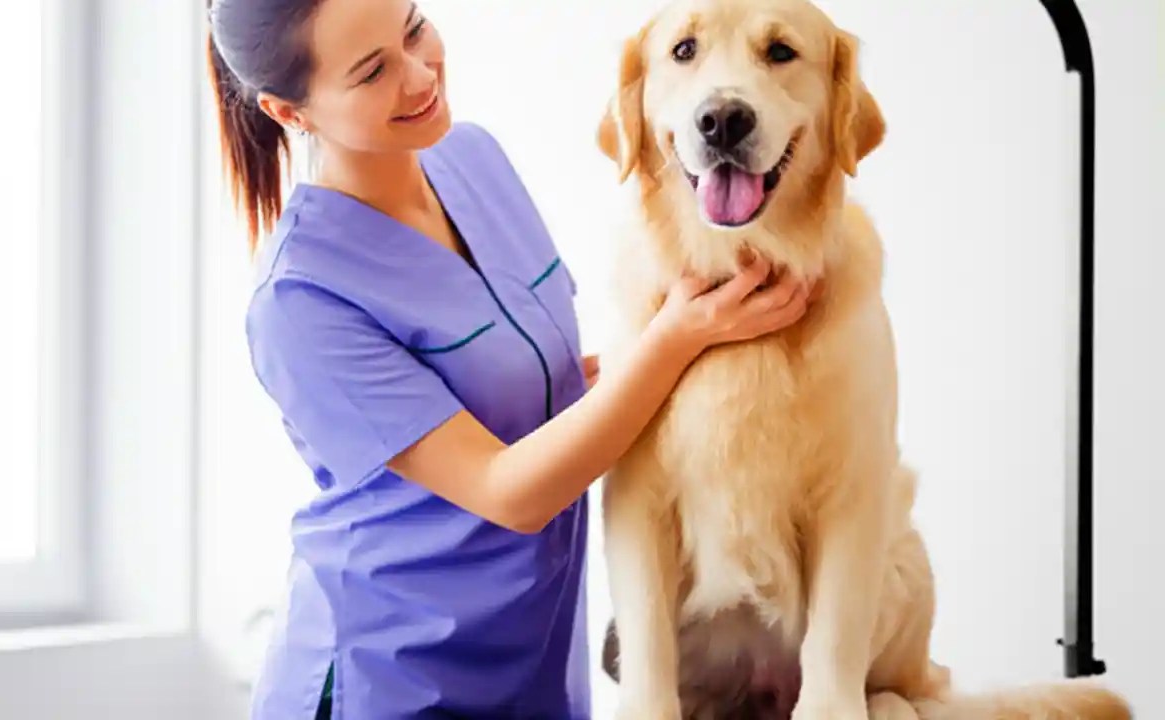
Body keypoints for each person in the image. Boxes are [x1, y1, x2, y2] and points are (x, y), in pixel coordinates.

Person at [207, 0, 816, 717]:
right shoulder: (301, 298)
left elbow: (542, 393)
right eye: (373, 72)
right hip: (394, 675)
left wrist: (704, 345)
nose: (419, 74)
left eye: (412, 28)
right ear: (289, 111)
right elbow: (508, 491)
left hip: (535, 661)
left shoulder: (472, 160)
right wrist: (677, 338)